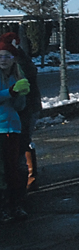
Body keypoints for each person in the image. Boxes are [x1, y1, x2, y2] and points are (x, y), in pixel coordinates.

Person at [0, 32, 42, 191]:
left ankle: (28, 179)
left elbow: (29, 71)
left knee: (22, 144)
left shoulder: (18, 62)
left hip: (26, 108)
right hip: (10, 112)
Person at [0, 38, 30, 223]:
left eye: (7, 56)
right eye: (0, 56)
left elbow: (19, 107)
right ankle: (3, 209)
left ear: (13, 59)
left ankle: (15, 205)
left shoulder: (17, 76)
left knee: (13, 169)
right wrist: (10, 92)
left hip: (13, 129)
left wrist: (21, 94)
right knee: (1, 171)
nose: (3, 60)